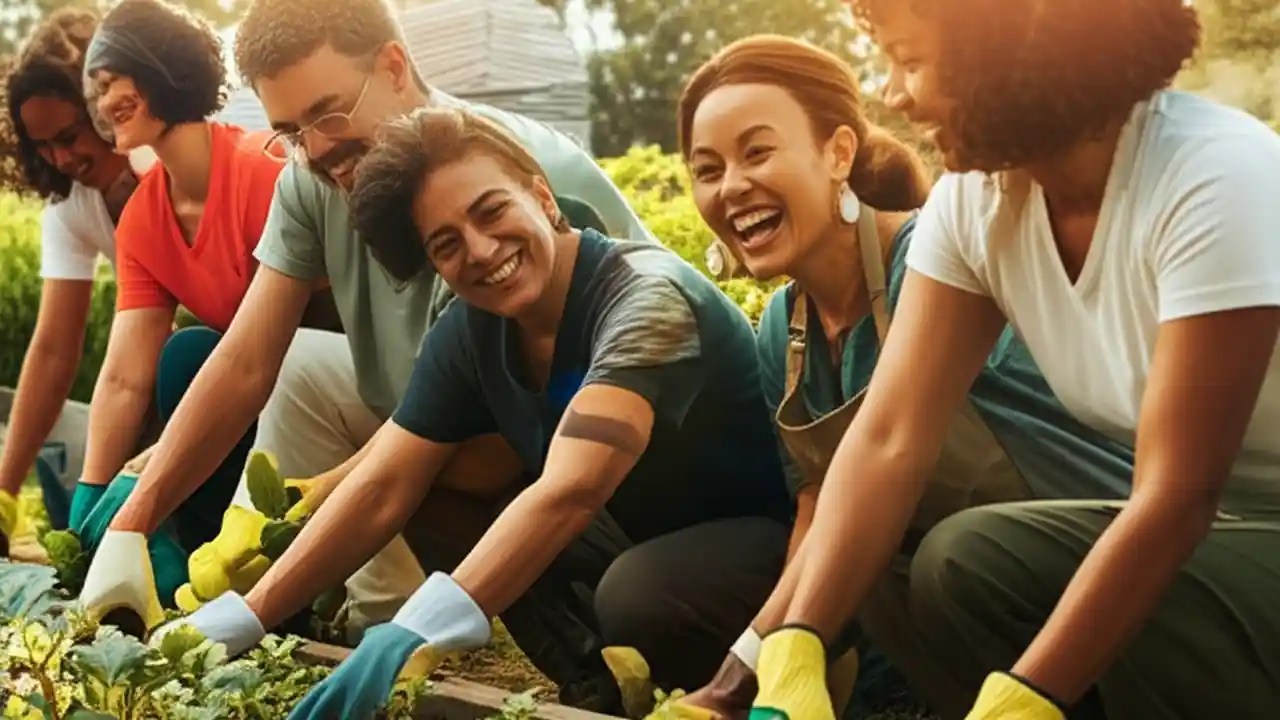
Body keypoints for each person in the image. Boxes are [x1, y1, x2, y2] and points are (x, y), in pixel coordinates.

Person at [80, 0, 654, 705]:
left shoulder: (489, 190)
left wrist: (310, 504)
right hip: (472, 421)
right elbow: (245, 360)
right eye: (290, 132)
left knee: (426, 477)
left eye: (328, 114)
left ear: (393, 66)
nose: (317, 150)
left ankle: (592, 666)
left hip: (610, 464)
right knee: (302, 372)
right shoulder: (314, 178)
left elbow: (470, 441)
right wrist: (132, 521)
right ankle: (334, 621)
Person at [159, 104, 792, 720]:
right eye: (446, 244)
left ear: (542, 197)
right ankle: (591, 679)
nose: (482, 250)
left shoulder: (648, 296)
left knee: (637, 591)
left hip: (771, 552)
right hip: (638, 532)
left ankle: (741, 688)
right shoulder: (474, 326)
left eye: (492, 212)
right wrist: (245, 616)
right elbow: (385, 483)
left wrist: (419, 630)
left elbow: (571, 489)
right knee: (432, 485)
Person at [747, 1, 1280, 719]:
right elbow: (889, 435)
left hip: (1238, 527)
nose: (891, 92)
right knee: (955, 560)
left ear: (1005, 58)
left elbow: (1178, 495)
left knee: (1101, 583)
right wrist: (795, 645)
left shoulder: (1215, 176)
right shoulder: (978, 204)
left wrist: (1024, 700)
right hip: (1214, 533)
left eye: (910, 61)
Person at [615, 35, 1137, 720]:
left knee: (933, 556)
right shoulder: (783, 329)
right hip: (959, 584)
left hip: (1095, 554)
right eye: (707, 168)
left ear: (838, 154)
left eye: (758, 151)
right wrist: (755, 670)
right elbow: (820, 509)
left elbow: (890, 456)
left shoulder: (935, 261)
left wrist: (762, 666)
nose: (732, 185)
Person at [68, 0, 289, 632]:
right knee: (180, 359)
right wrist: (92, 491)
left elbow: (299, 342)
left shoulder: (259, 175)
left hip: (305, 398)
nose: (103, 100)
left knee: (192, 355)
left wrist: (158, 456)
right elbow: (123, 378)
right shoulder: (144, 218)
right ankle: (193, 570)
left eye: (114, 79)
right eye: (97, 89)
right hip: (234, 411)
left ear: (161, 68)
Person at [0, 8, 152, 555]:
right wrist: (4, 490)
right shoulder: (72, 206)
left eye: (70, 136)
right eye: (43, 146)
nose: (63, 159)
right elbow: (53, 349)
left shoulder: (169, 169)